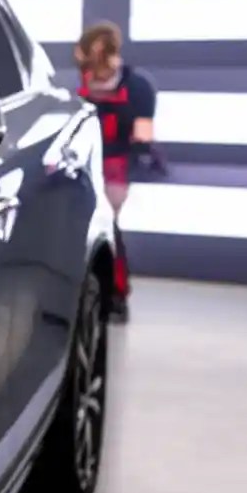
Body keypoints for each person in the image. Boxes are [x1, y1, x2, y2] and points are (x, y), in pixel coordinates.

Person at [75, 21, 157, 324]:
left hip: (116, 164)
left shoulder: (138, 87)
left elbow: (143, 138)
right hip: (87, 160)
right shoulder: (83, 81)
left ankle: (117, 295)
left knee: (109, 225)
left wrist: (123, 178)